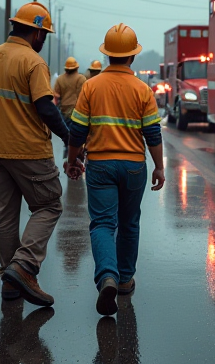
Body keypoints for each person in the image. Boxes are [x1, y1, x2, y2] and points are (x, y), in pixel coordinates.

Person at [0, 2, 70, 306]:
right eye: (44, 34)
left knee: (5, 213)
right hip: (28, 149)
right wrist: (69, 137)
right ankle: (24, 266)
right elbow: (45, 108)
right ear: (37, 32)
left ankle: (9, 281)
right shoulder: (33, 62)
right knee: (49, 205)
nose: (44, 40)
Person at [66, 24, 165, 316]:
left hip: (100, 166)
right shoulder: (143, 89)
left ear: (107, 55)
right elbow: (153, 134)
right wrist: (159, 167)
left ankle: (107, 276)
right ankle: (124, 280)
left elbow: (77, 130)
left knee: (102, 224)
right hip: (134, 166)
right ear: (133, 56)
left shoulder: (91, 86)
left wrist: (72, 160)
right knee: (129, 223)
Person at [53, 56, 87, 158]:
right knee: (77, 135)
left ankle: (68, 150)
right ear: (76, 68)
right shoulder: (81, 79)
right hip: (78, 112)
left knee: (67, 134)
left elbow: (56, 98)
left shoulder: (60, 79)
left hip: (64, 112)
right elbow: (84, 97)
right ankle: (76, 153)